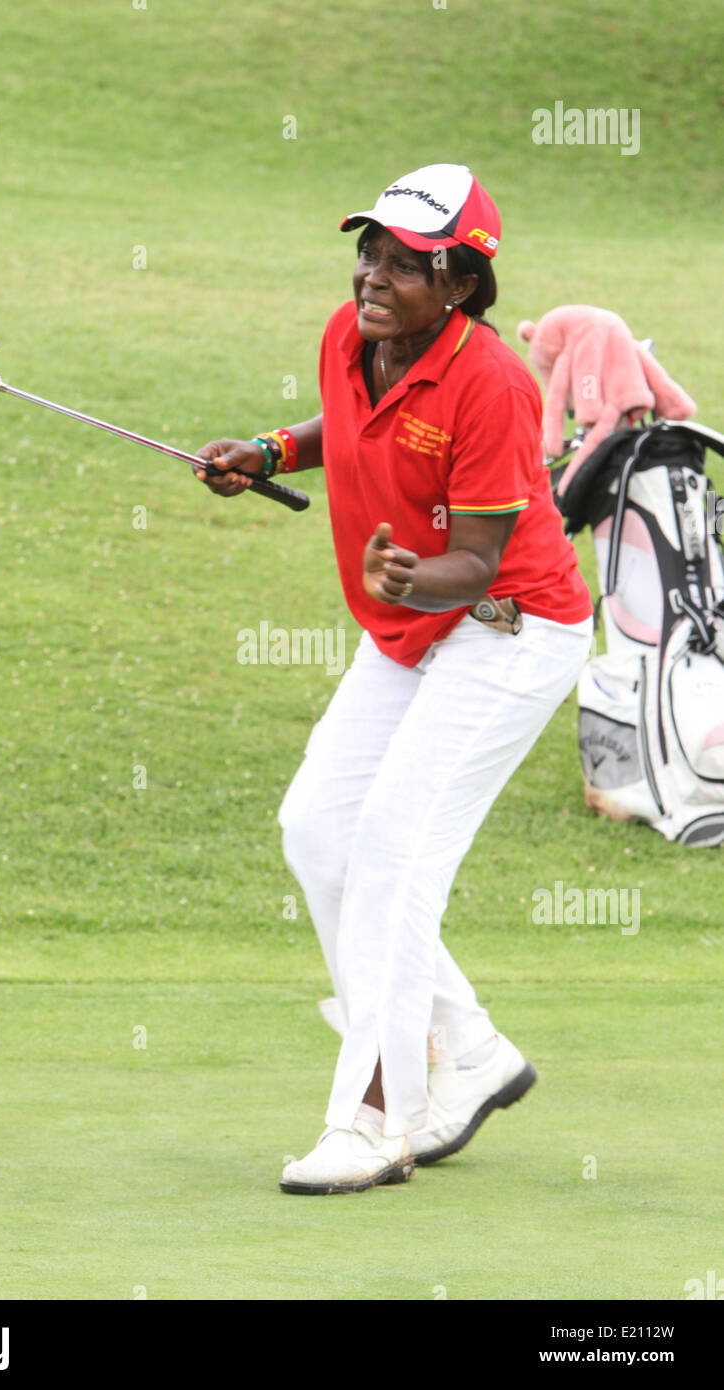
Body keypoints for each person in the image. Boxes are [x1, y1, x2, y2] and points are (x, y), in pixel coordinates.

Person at [194, 163, 593, 1195]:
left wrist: (411, 577)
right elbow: (355, 420)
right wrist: (272, 449)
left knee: (391, 854)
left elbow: (472, 559)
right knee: (315, 829)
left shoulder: (495, 385)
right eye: (367, 249)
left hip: (507, 629)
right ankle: (466, 1049)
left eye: (403, 262)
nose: (373, 273)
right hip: (414, 628)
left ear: (458, 284)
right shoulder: (352, 333)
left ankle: (377, 1119)